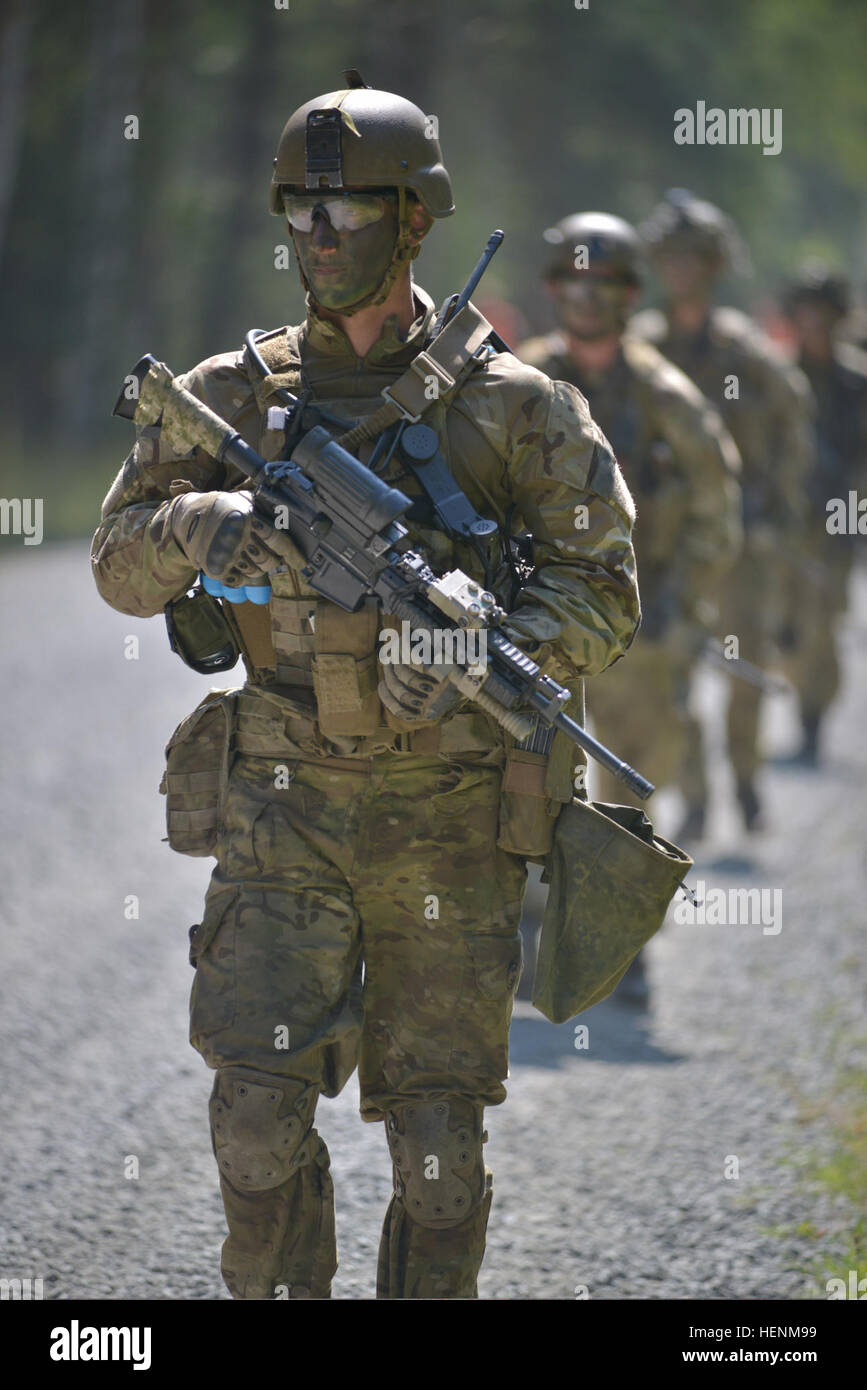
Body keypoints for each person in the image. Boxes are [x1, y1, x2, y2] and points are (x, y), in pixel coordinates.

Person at [90, 76, 640, 1299]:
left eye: (347, 212)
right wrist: (196, 522)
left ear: (414, 221)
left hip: (447, 825)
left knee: (440, 1166)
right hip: (281, 808)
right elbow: (116, 568)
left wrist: (456, 659)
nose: (319, 237)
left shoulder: (520, 409)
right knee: (253, 1124)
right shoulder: (230, 397)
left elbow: (606, 597)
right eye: (301, 213)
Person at [519, 213, 741, 1004]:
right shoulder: (517, 386)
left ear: (627, 296)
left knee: (627, 794)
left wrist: (690, 613)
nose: (585, 298)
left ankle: (620, 952)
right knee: (530, 782)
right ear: (552, 291)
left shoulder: (665, 400)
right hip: (535, 632)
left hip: (638, 639)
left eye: (602, 286)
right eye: (572, 284)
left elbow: (717, 509)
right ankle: (531, 930)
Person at [631, 189, 815, 830]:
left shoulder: (745, 354)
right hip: (668, 544)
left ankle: (744, 776)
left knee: (743, 667)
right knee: (673, 671)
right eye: (670, 258)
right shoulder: (642, 349)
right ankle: (697, 794)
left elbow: (794, 431)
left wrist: (777, 512)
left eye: (692, 258)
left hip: (741, 543)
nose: (680, 270)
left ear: (713, 266)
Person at [779, 262, 867, 762]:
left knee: (822, 625)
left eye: (823, 313)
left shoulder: (856, 381)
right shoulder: (779, 376)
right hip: (788, 521)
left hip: (840, 519)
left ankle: (812, 721)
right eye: (806, 313)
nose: (814, 323)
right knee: (784, 624)